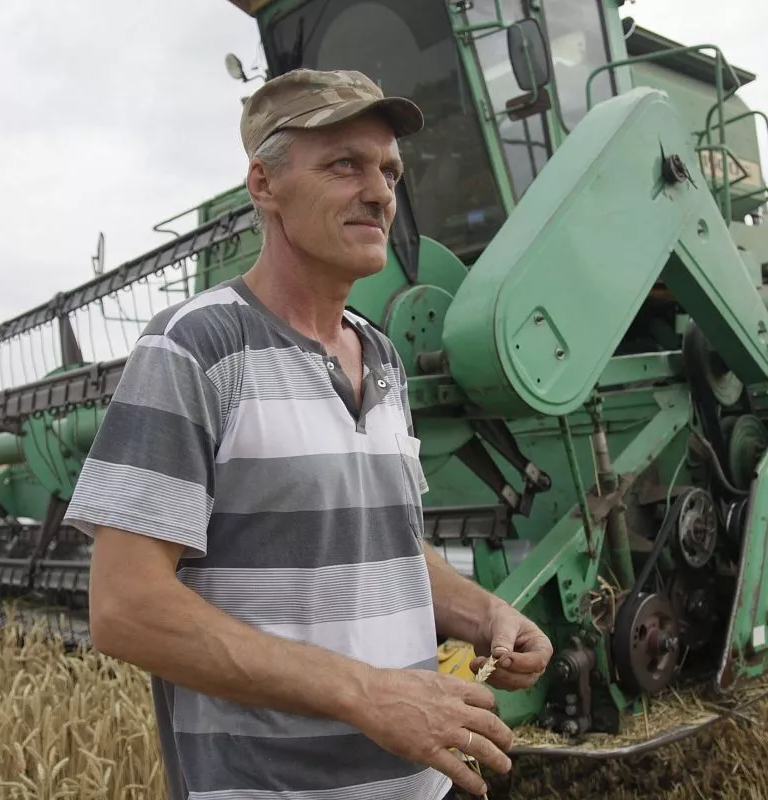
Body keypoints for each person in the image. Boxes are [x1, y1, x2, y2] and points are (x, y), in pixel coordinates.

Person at [64, 68, 553, 800]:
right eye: (344, 165)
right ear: (264, 185)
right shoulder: (196, 348)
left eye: (390, 171)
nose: (380, 191)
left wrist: (484, 612)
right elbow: (125, 609)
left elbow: (385, 545)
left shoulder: (381, 355)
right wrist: (367, 693)